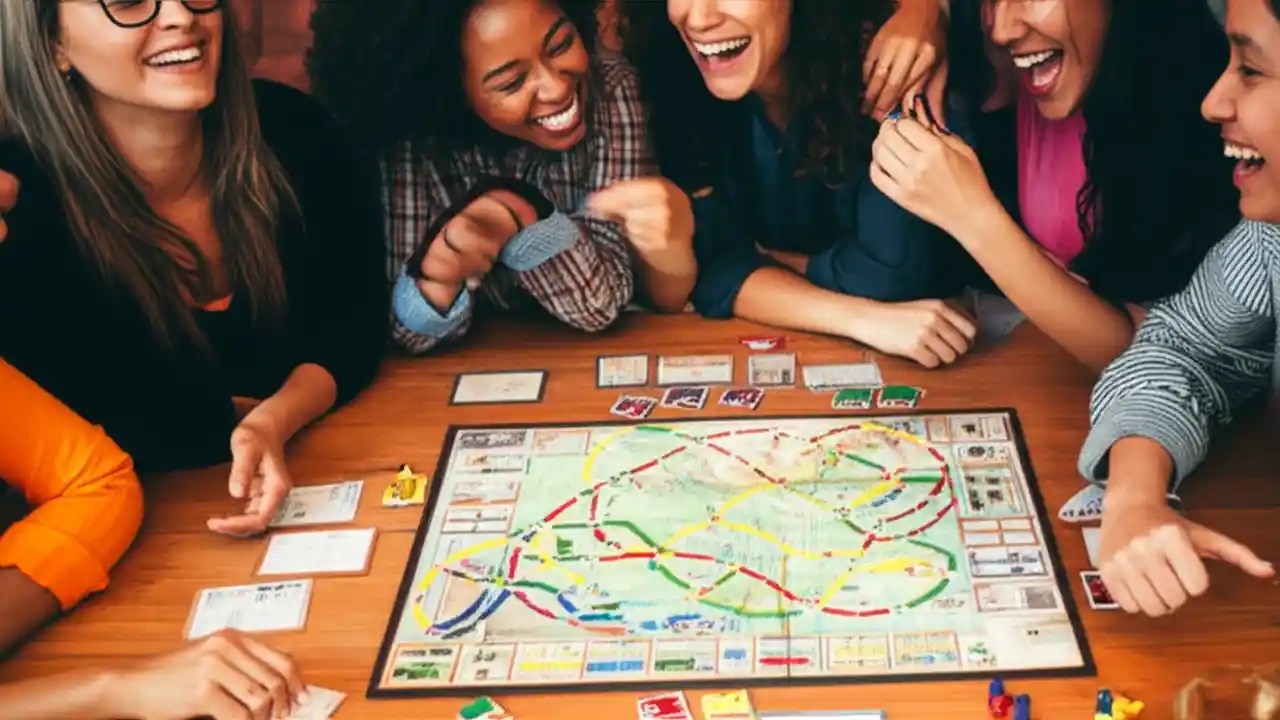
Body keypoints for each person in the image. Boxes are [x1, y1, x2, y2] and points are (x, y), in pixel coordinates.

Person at [0, 0, 388, 536]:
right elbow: (118, 420)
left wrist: (272, 420)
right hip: (131, 546)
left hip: (332, 479)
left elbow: (352, 325)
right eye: (129, 1)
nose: (182, 15)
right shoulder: (18, 214)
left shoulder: (298, 131)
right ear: (53, 46)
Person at [308, 0, 696, 356]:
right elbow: (408, 334)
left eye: (560, 44)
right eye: (511, 83)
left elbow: (601, 303)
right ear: (450, 95)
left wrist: (519, 214)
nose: (557, 87)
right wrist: (440, 277)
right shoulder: (410, 146)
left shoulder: (611, 91)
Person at [871, 0, 1241, 372]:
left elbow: (1160, 361)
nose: (1002, 29)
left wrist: (975, 219)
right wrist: (924, 13)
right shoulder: (1012, 66)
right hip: (1036, 366)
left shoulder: (1210, 117)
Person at [622, 0, 980, 369]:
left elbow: (888, 277)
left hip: (954, 359)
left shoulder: (890, 62)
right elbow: (714, 268)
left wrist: (773, 263)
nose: (699, 18)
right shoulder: (674, 78)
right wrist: (861, 319)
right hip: (830, 348)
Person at [1077, 0, 1280, 618]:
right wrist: (1136, 495)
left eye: (1250, 69)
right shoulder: (1271, 239)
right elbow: (1182, 345)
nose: (1213, 102)